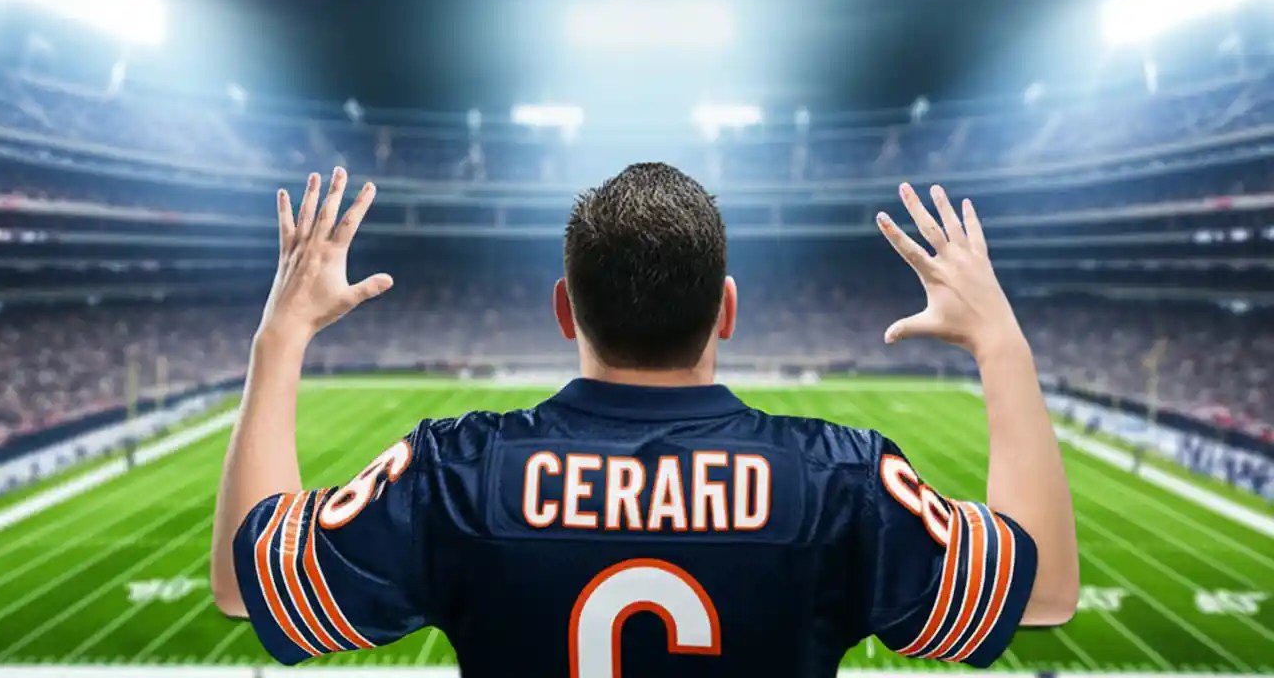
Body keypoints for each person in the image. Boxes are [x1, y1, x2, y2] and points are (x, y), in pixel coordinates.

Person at [210, 164, 1078, 676]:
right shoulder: (835, 478)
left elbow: (241, 582)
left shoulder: (458, 471)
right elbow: (1044, 594)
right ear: (728, 309)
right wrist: (1000, 342)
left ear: (564, 309)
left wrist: (279, 335)